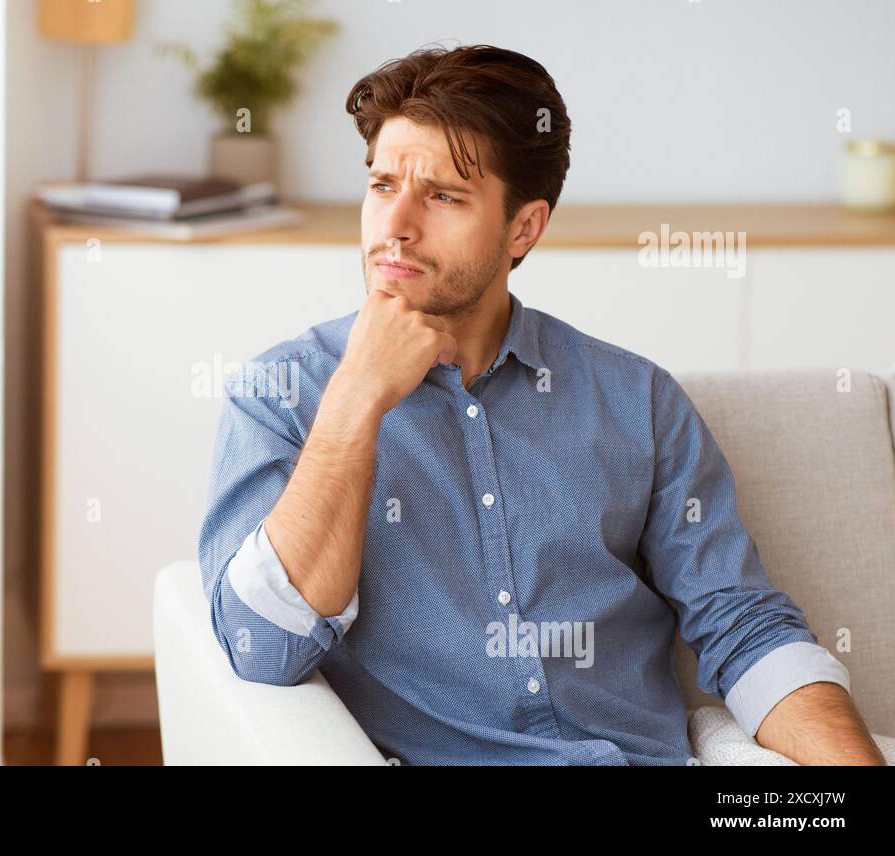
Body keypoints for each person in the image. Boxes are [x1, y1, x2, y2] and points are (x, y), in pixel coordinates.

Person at [197, 44, 884, 765]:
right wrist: (356, 399)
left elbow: (742, 625)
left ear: (524, 228)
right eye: (381, 185)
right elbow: (261, 649)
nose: (394, 224)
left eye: (443, 196)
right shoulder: (282, 395)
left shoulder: (637, 400)